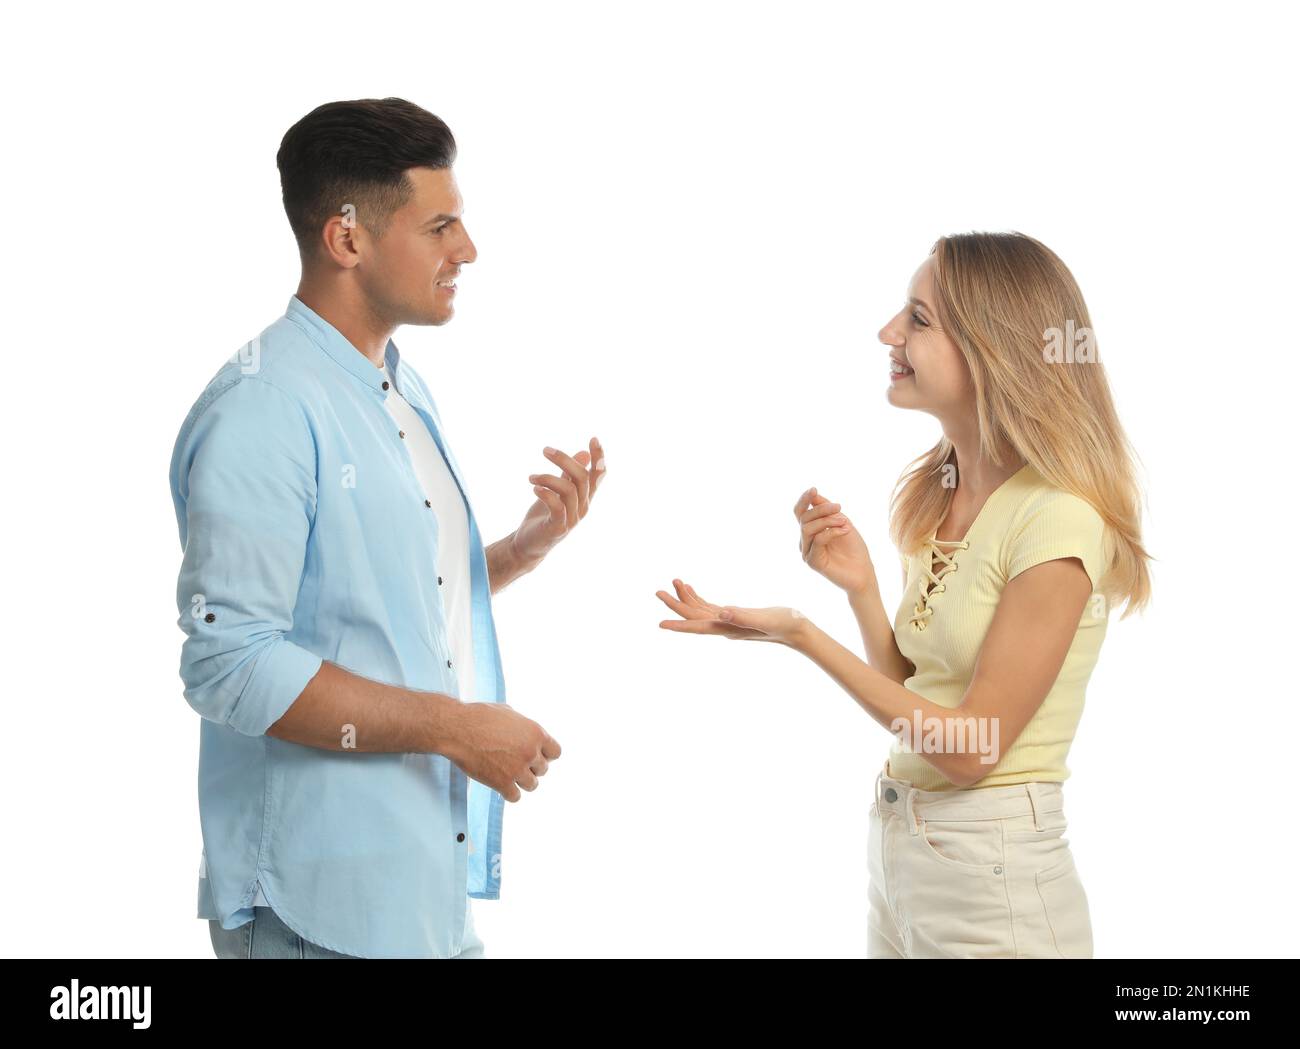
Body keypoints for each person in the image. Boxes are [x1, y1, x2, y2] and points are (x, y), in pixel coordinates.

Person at [169, 97, 605, 959]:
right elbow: (231, 663)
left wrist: (519, 550)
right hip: (315, 912)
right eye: (440, 226)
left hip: (416, 897)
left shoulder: (395, 387)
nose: (467, 250)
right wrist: (455, 726)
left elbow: (369, 595)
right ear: (347, 239)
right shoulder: (265, 408)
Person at [657, 231, 1150, 958]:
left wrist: (802, 634)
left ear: (994, 348)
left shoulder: (1058, 520)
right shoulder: (941, 493)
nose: (889, 333)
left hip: (995, 875)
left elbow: (971, 749)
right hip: (903, 851)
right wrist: (860, 590)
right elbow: (916, 706)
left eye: (918, 319)